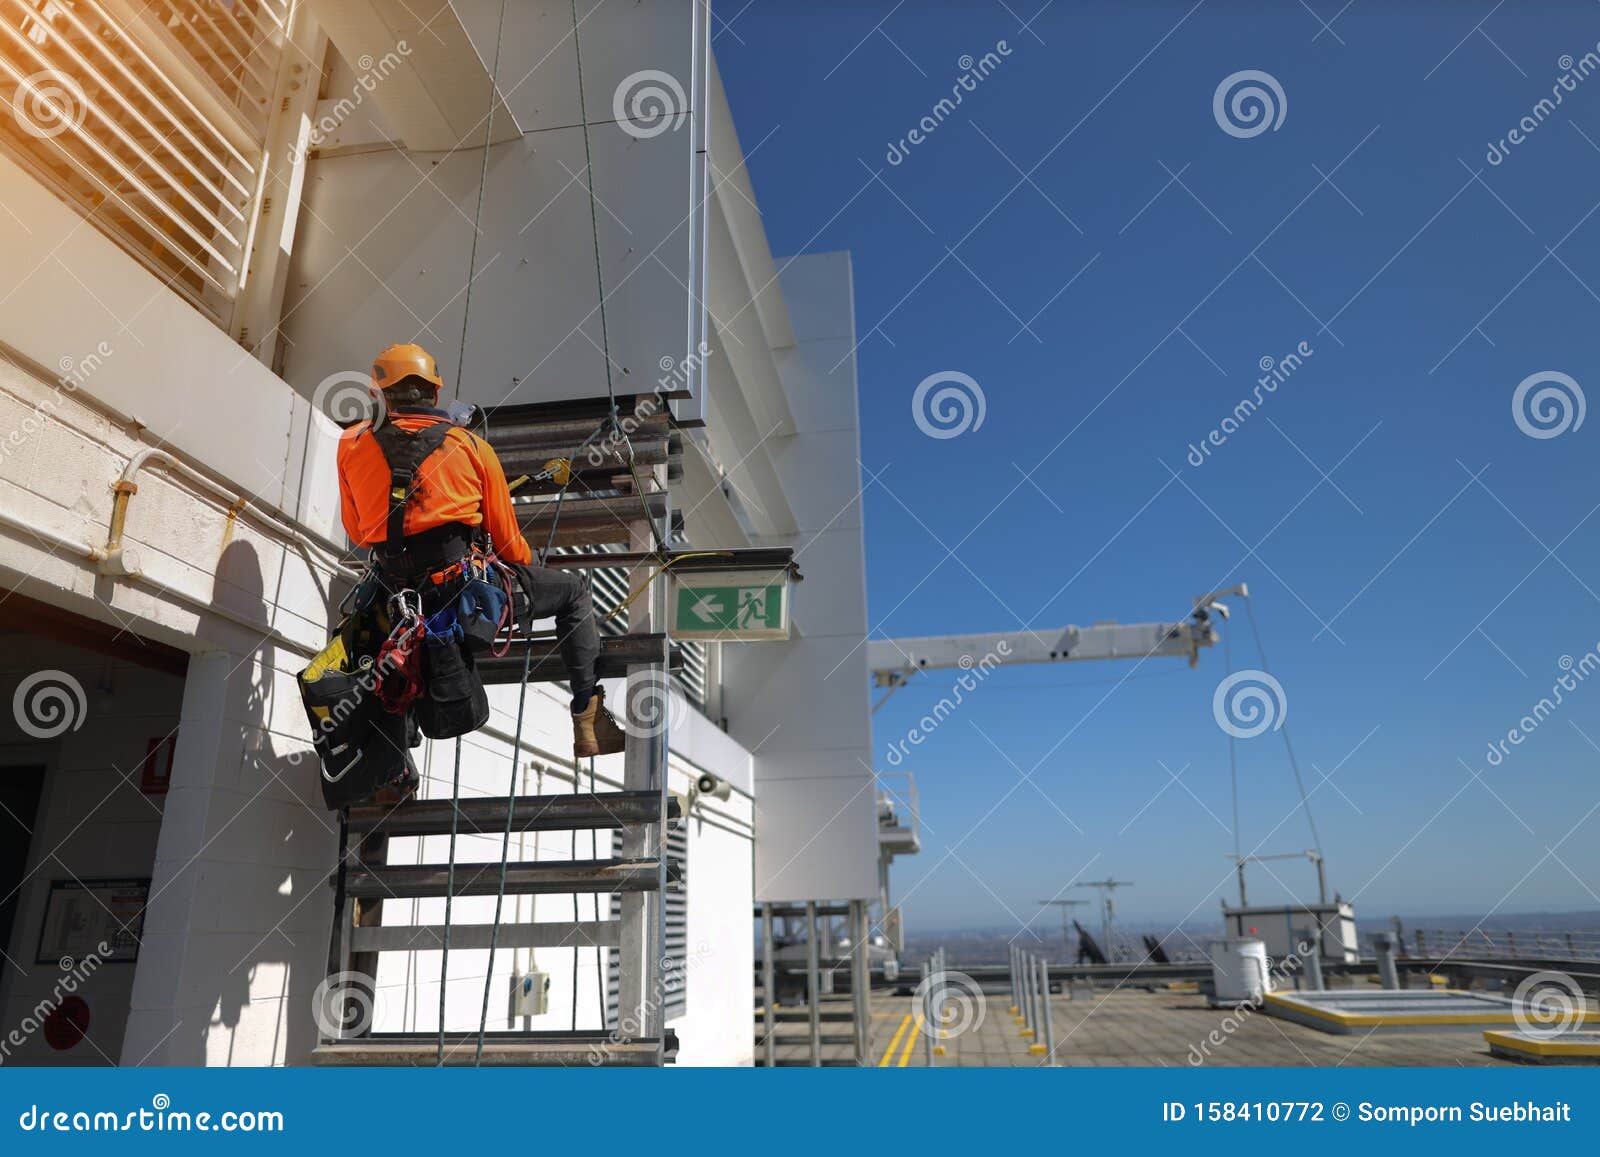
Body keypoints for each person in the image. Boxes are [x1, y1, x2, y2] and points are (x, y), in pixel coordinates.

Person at [335, 342, 625, 765]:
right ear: (435, 392)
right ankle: (588, 719)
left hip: (392, 601)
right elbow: (509, 545)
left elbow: (359, 532)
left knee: (385, 664)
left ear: (379, 394)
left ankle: (394, 768)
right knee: (573, 592)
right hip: (461, 595)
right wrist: (527, 566)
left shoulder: (350, 443)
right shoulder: (470, 447)